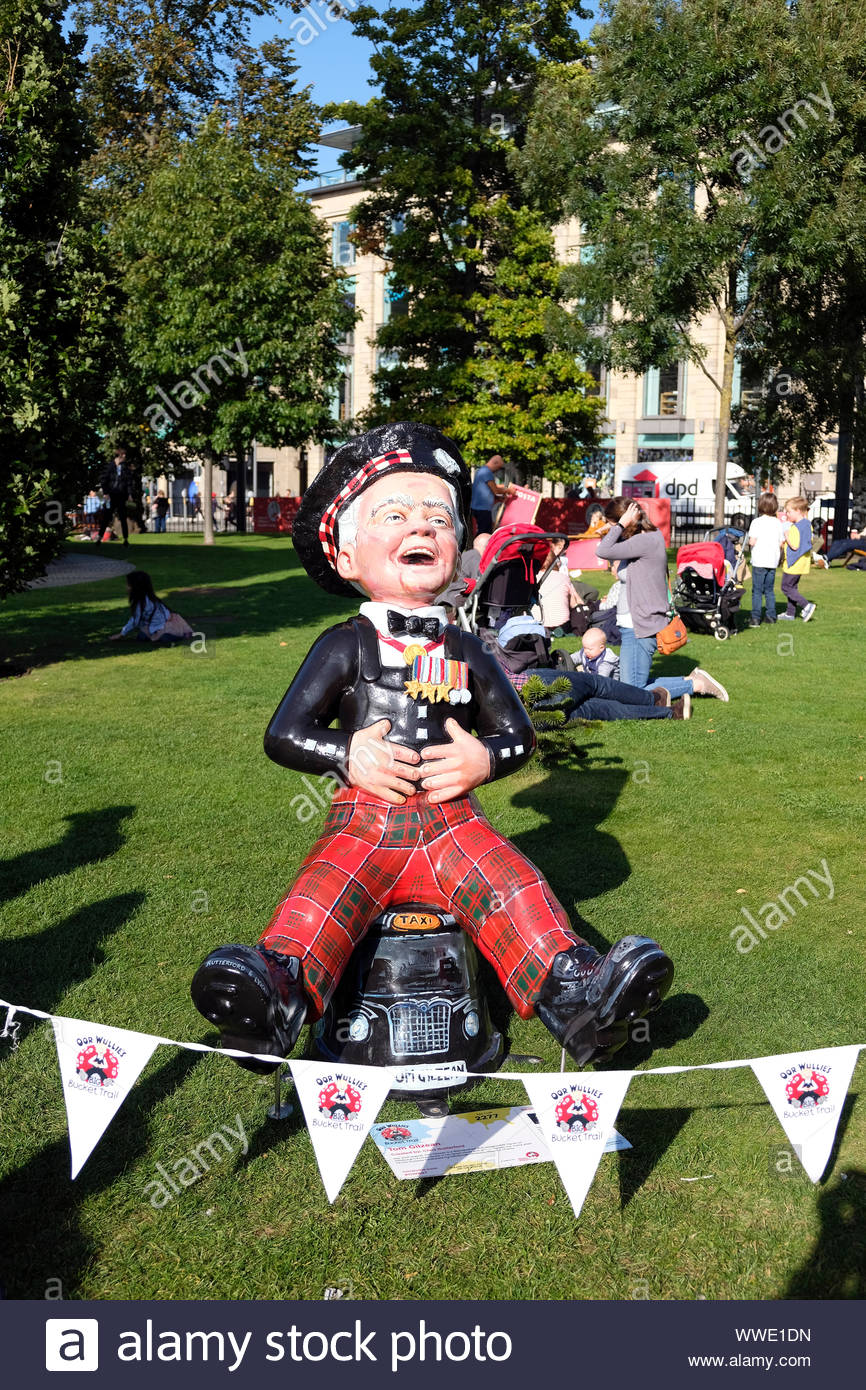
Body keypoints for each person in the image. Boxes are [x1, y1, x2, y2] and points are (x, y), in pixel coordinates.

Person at [190, 422, 674, 1074]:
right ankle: (277, 996)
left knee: (514, 886)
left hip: (455, 825)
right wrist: (344, 752)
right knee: (324, 895)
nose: (422, 529)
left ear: (459, 546)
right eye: (396, 515)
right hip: (367, 822)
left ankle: (580, 998)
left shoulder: (467, 650)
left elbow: (518, 736)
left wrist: (484, 759)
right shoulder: (344, 646)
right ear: (345, 555)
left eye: (439, 519)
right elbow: (284, 733)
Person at [596, 497, 729, 702]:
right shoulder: (643, 537)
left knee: (633, 691)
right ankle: (691, 681)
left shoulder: (644, 541)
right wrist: (613, 527)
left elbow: (602, 551)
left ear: (627, 520)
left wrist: (618, 526)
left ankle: (696, 684)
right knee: (629, 685)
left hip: (640, 624)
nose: (614, 528)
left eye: (616, 523)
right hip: (632, 623)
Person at [494, 617, 688, 720]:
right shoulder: (476, 660)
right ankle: (654, 699)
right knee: (597, 684)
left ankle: (670, 713)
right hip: (529, 686)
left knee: (599, 709)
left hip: (524, 716)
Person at [108, 571, 189, 644]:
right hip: (154, 625)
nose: (127, 587)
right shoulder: (148, 599)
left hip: (161, 626)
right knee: (142, 636)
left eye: (129, 585)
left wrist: (121, 634)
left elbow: (135, 621)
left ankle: (175, 636)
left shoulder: (143, 602)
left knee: (163, 638)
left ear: (136, 587)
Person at [747, 493, 786, 625]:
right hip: (772, 561)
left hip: (759, 560)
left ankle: (755, 617)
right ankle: (771, 615)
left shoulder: (756, 522)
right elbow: (781, 543)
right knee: (769, 590)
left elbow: (752, 541)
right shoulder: (778, 523)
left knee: (757, 590)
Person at [779, 496, 816, 621]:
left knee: (786, 587)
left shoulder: (795, 528)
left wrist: (786, 536)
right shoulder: (807, 525)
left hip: (794, 562)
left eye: (789, 512)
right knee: (792, 587)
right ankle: (790, 613)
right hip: (802, 562)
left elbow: (794, 546)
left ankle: (806, 606)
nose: (786, 514)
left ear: (798, 511)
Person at [470, 453, 514, 535]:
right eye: (498, 468)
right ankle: (481, 547)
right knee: (484, 533)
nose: (497, 470)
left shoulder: (482, 470)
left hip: (478, 507)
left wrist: (497, 498)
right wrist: (509, 490)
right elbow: (496, 490)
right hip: (482, 509)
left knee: (483, 531)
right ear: (495, 463)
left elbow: (487, 490)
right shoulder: (487, 472)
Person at [97, 448, 132, 546]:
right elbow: (104, 480)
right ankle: (100, 537)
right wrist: (106, 492)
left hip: (121, 495)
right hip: (111, 495)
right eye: (123, 455)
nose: (125, 457)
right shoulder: (109, 467)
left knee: (123, 516)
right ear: (119, 456)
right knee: (107, 516)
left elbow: (128, 482)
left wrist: (129, 494)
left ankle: (125, 538)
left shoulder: (125, 468)